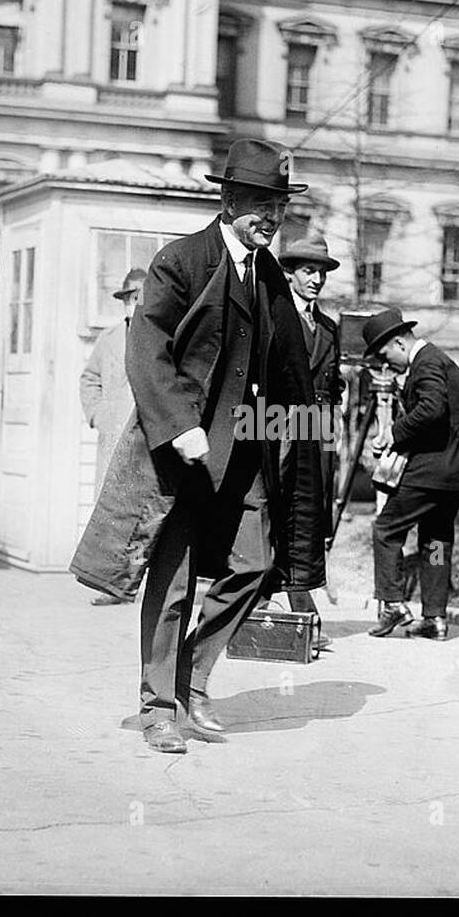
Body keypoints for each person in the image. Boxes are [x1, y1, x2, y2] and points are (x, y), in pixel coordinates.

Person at [70, 138, 327, 755]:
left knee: (255, 564)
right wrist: (178, 423)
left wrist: (308, 433)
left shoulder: (268, 276)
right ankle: (159, 706)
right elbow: (146, 349)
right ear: (230, 198)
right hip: (182, 453)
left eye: (280, 206)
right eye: (262, 203)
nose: (272, 217)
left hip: (245, 453)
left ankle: (192, 678)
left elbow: (291, 365)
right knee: (174, 582)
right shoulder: (181, 261)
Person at [364, 308, 459, 641]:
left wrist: (393, 433)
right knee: (435, 540)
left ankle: (392, 602)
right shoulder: (438, 360)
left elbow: (432, 409)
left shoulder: (427, 362)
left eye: (385, 353)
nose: (385, 363)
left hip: (433, 470)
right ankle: (434, 617)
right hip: (456, 471)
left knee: (386, 530)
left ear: (400, 342)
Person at [276, 231, 343, 650]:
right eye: (307, 271)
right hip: (277, 424)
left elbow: (334, 386)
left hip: (317, 430)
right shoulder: (276, 316)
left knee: (310, 515)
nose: (315, 280)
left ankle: (300, 601)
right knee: (278, 506)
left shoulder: (330, 328)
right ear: (291, 274)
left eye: (320, 272)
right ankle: (287, 603)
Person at [78, 269, 144, 605]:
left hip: (147, 441)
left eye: (142, 296)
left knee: (144, 514)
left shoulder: (162, 337)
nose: (136, 303)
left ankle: (138, 583)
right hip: (114, 436)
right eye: (131, 297)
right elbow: (89, 379)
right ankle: (110, 585)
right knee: (111, 511)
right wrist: (98, 415)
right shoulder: (109, 339)